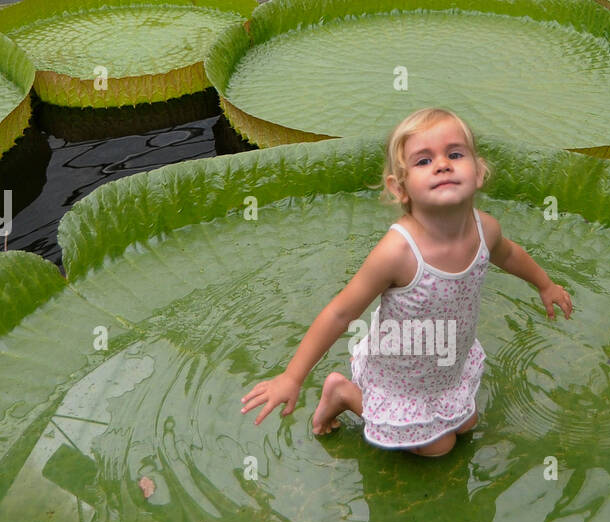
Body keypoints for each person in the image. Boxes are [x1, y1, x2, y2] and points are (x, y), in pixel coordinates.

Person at [240, 107, 574, 457]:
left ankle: (435, 408)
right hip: (402, 371)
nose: (443, 164)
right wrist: (292, 377)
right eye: (423, 161)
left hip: (447, 359)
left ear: (478, 172)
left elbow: (508, 255)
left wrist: (545, 285)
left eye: (455, 154)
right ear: (400, 188)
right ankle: (343, 393)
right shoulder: (399, 252)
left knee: (467, 423)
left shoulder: (485, 228)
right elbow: (340, 313)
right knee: (439, 448)